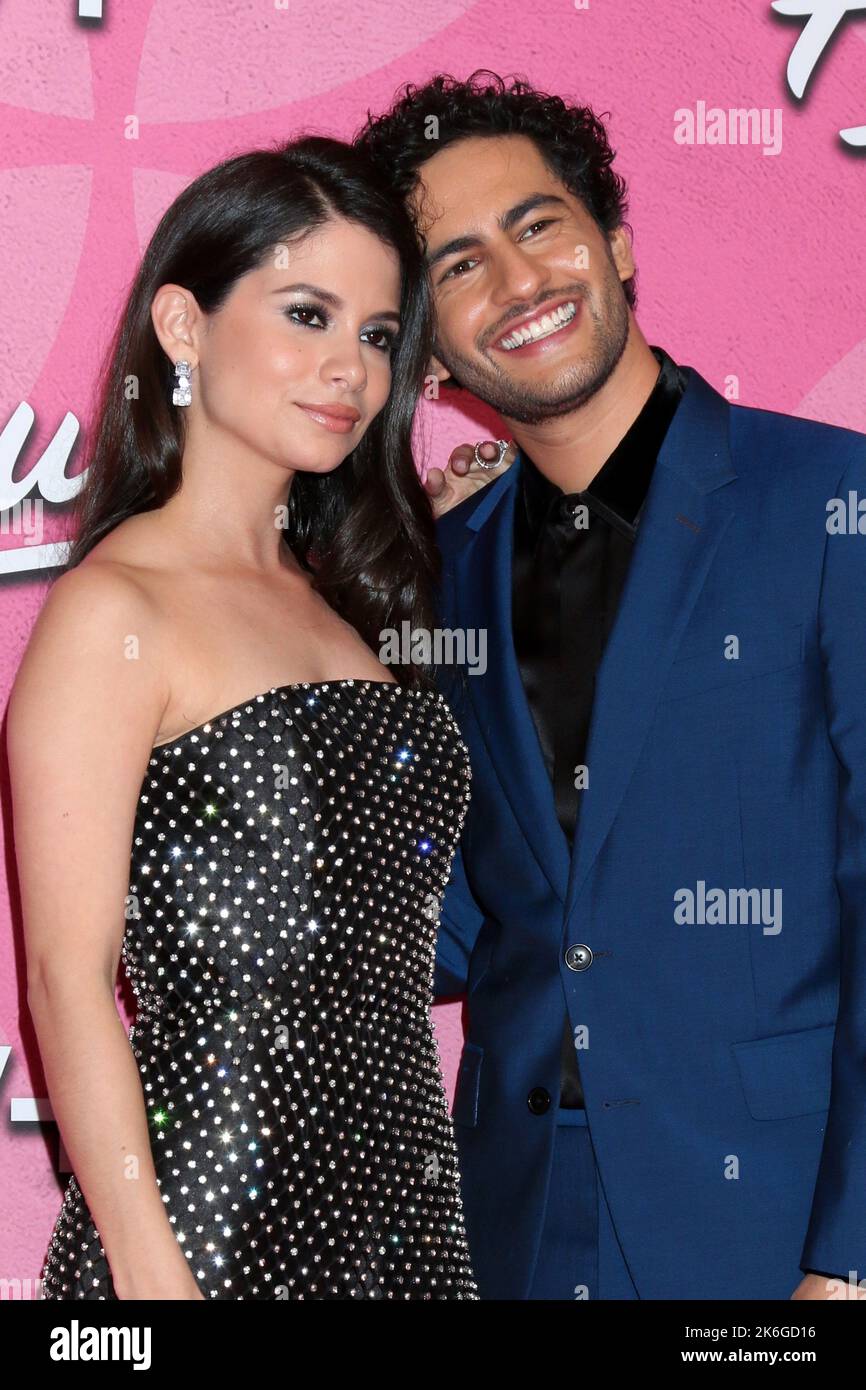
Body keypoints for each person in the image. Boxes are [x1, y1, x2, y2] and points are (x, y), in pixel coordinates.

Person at [356, 71, 866, 1300]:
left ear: (616, 243)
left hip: (768, 1221)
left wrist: (844, 1264)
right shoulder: (441, 574)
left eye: (537, 226)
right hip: (517, 1221)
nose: (517, 281)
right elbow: (457, 925)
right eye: (457, 264)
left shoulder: (826, 507)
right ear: (427, 339)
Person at [8, 136, 479, 1300]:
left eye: (376, 336)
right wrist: (152, 1277)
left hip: (407, 1222)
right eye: (306, 314)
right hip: (206, 1225)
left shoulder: (351, 603)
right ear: (182, 324)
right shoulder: (114, 609)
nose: (351, 372)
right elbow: (69, 982)